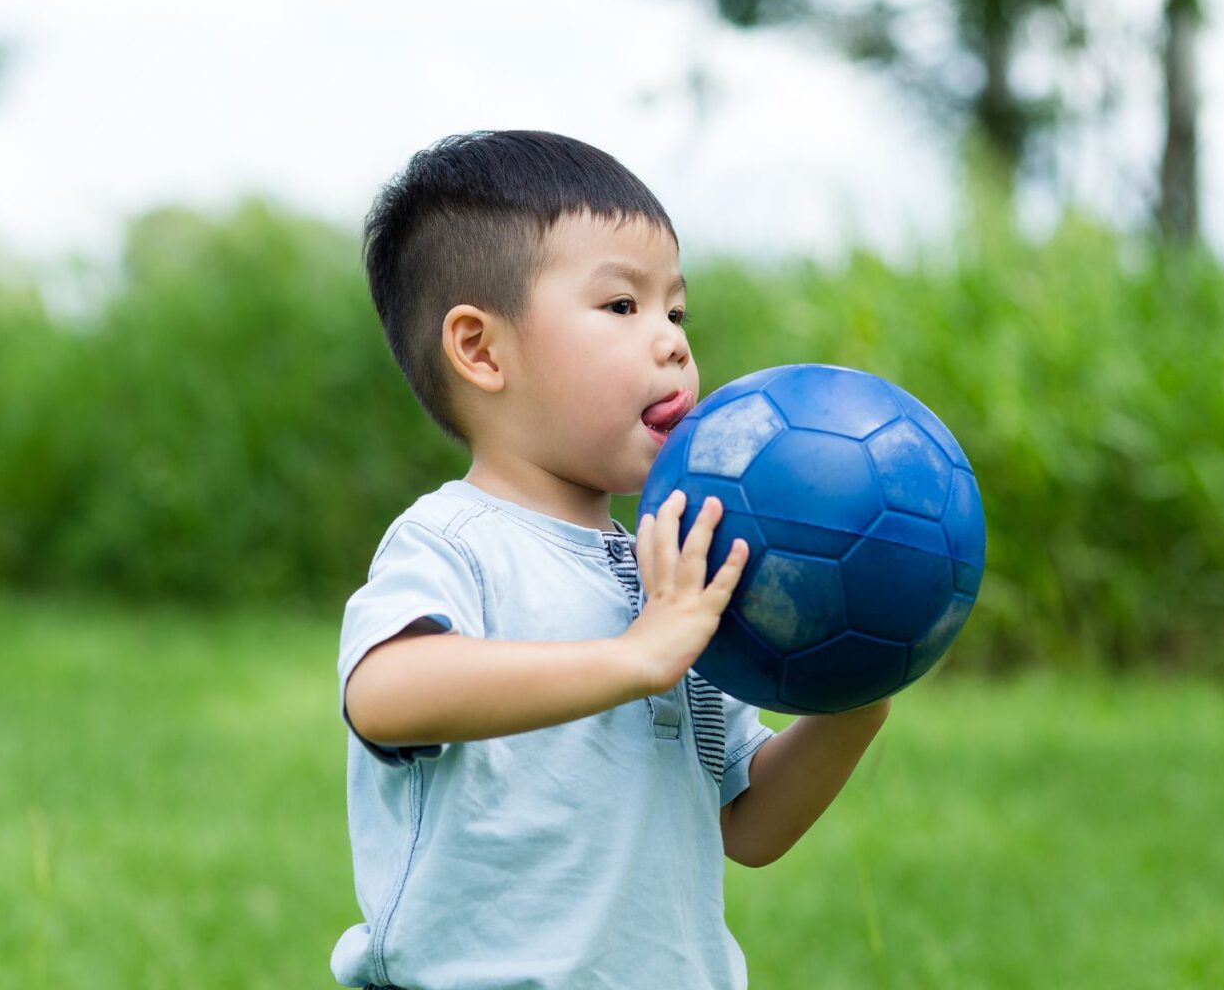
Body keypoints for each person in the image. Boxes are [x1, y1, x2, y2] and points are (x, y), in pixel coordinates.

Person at [332, 130, 891, 989]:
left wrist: (857, 698)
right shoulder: (455, 543)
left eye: (677, 311)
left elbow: (748, 823)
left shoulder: (667, 571)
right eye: (623, 307)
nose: (670, 341)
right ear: (481, 350)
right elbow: (384, 694)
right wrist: (633, 658)